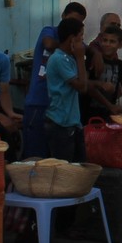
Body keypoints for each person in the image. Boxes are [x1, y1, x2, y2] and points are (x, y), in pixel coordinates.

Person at [24, 2, 85, 159]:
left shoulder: (71, 52)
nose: (72, 25)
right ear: (63, 16)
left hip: (61, 112)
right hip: (39, 101)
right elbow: (49, 43)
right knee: (36, 155)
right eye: (71, 20)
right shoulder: (50, 33)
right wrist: (71, 48)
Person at [45, 16, 88, 161]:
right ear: (72, 39)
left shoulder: (69, 58)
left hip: (72, 122)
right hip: (60, 122)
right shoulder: (58, 59)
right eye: (81, 36)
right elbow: (81, 86)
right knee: (64, 169)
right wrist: (81, 58)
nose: (83, 41)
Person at [86, 24, 122, 115]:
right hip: (89, 113)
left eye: (112, 41)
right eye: (105, 40)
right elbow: (84, 84)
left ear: (120, 45)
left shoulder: (119, 64)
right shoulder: (93, 60)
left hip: (109, 114)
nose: (107, 44)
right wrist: (101, 84)